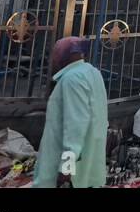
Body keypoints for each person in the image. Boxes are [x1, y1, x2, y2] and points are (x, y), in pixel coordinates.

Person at [34, 37, 108, 188]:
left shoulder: (72, 79)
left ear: (66, 55)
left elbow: (75, 125)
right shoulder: (92, 73)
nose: (53, 59)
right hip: (89, 160)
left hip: (71, 169)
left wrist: (66, 167)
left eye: (55, 53)